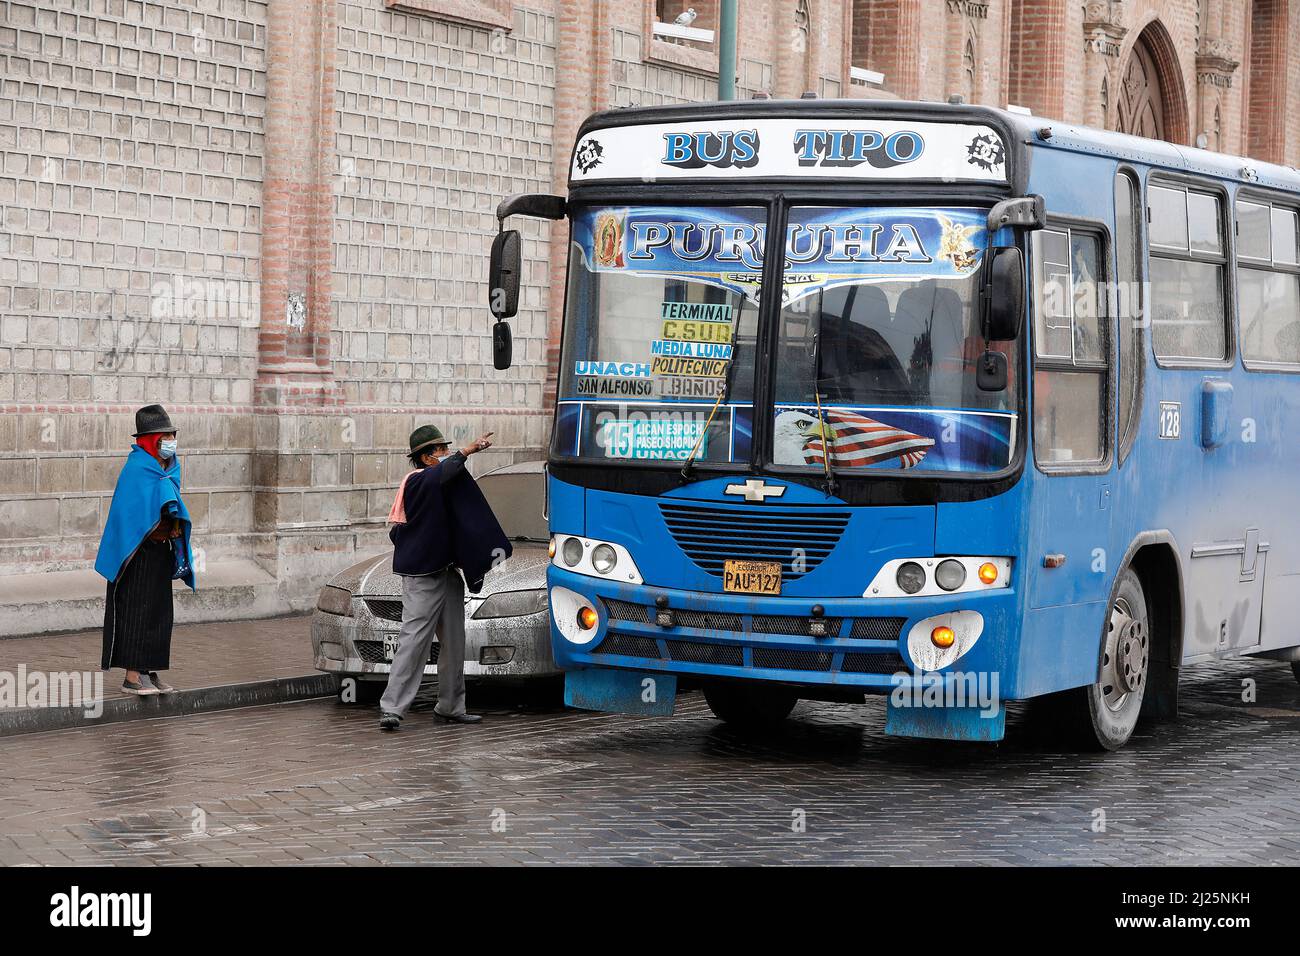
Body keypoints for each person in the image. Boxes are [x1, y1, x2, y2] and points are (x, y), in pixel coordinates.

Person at [379, 424, 509, 731]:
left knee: (454, 642)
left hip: (446, 572)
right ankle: (392, 709)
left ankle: (451, 706)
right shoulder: (418, 481)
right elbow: (443, 473)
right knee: (414, 641)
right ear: (426, 458)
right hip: (422, 577)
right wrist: (469, 450)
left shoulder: (438, 484)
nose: (446, 455)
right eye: (441, 451)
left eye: (446, 451)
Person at [95, 404, 197, 696]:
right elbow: (130, 516)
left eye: (171, 435)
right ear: (149, 440)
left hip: (160, 552)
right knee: (135, 611)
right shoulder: (137, 468)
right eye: (164, 436)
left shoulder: (169, 468)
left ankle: (150, 672)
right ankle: (131, 676)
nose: (169, 441)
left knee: (158, 613)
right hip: (136, 553)